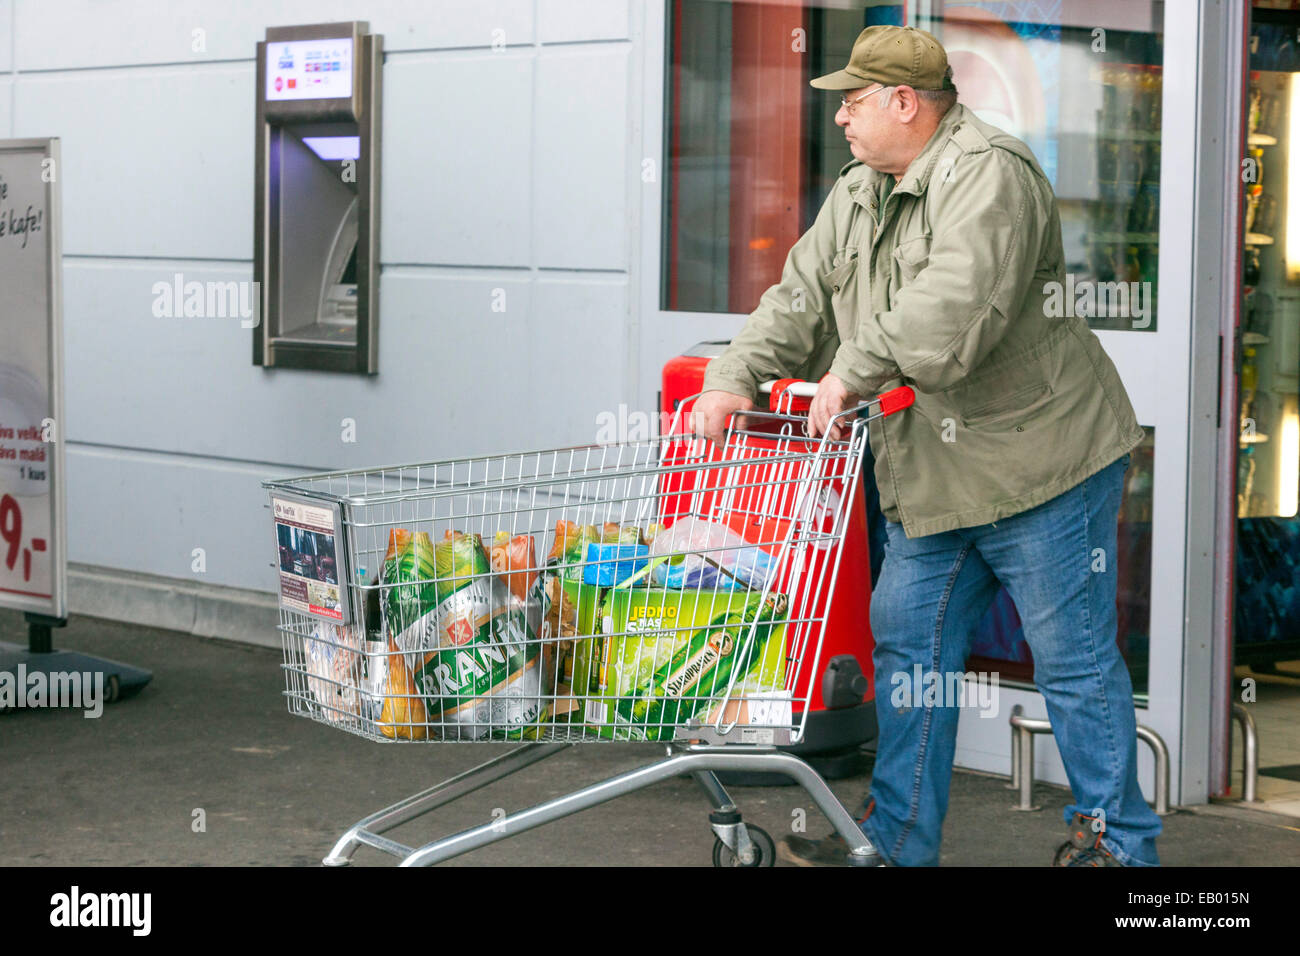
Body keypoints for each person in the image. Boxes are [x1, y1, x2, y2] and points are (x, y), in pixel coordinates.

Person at [691, 24, 1161, 867]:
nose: (839, 118)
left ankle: (1120, 849)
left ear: (905, 103)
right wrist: (734, 375)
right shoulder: (863, 187)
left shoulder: (989, 173)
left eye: (855, 101)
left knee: (1073, 664)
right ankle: (896, 846)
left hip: (1041, 465)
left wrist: (852, 370)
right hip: (936, 478)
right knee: (911, 653)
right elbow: (800, 294)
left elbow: (955, 308)